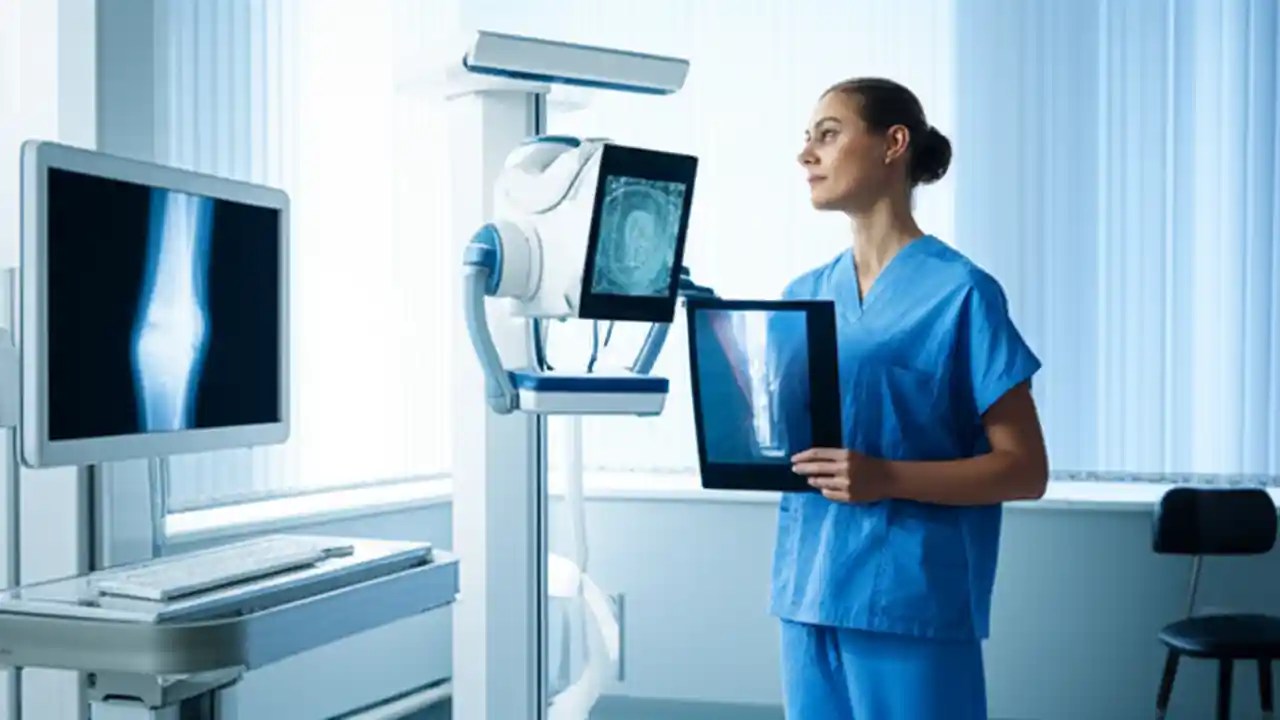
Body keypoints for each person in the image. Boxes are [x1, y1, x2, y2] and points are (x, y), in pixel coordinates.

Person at [774, 77, 1049, 719]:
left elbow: (1025, 469)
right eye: (807, 138)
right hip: (808, 592)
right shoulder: (800, 296)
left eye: (828, 134)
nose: (807, 153)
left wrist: (886, 477)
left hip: (910, 602)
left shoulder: (962, 293)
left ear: (893, 143)